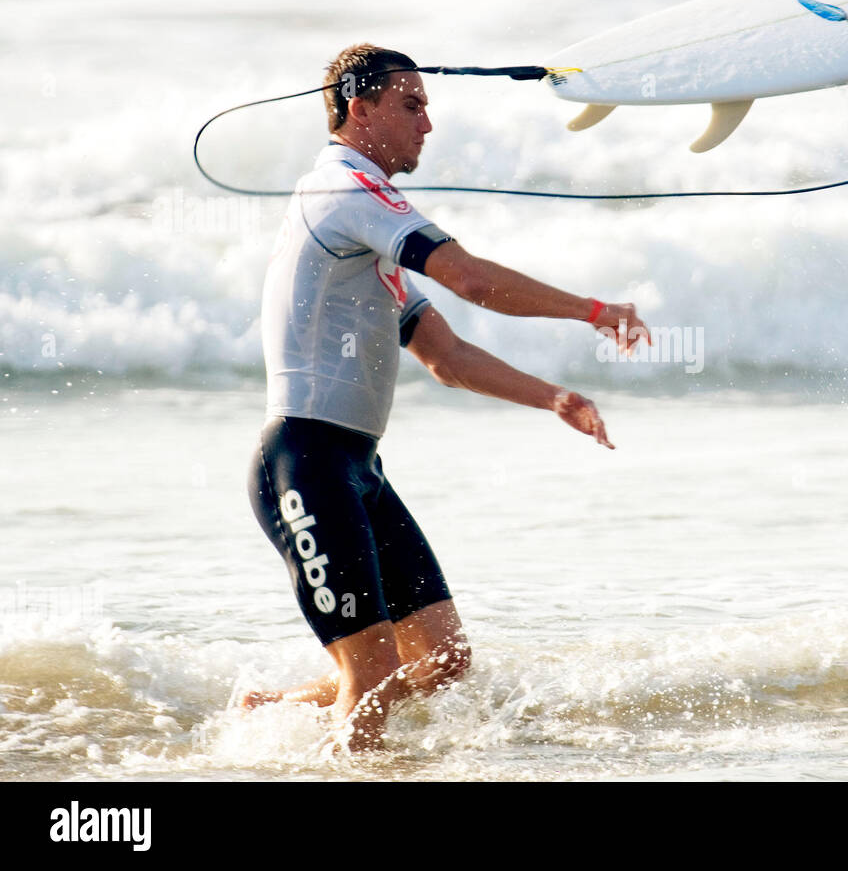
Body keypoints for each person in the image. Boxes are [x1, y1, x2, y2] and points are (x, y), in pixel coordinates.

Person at [242, 43, 648, 752]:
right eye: (411, 105)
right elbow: (472, 280)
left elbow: (447, 356)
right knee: (370, 674)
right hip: (303, 462)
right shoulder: (344, 190)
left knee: (441, 661)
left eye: (427, 106)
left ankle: (262, 710)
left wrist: (554, 398)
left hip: (355, 469)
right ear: (359, 108)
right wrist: (594, 311)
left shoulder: (362, 239)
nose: (428, 124)